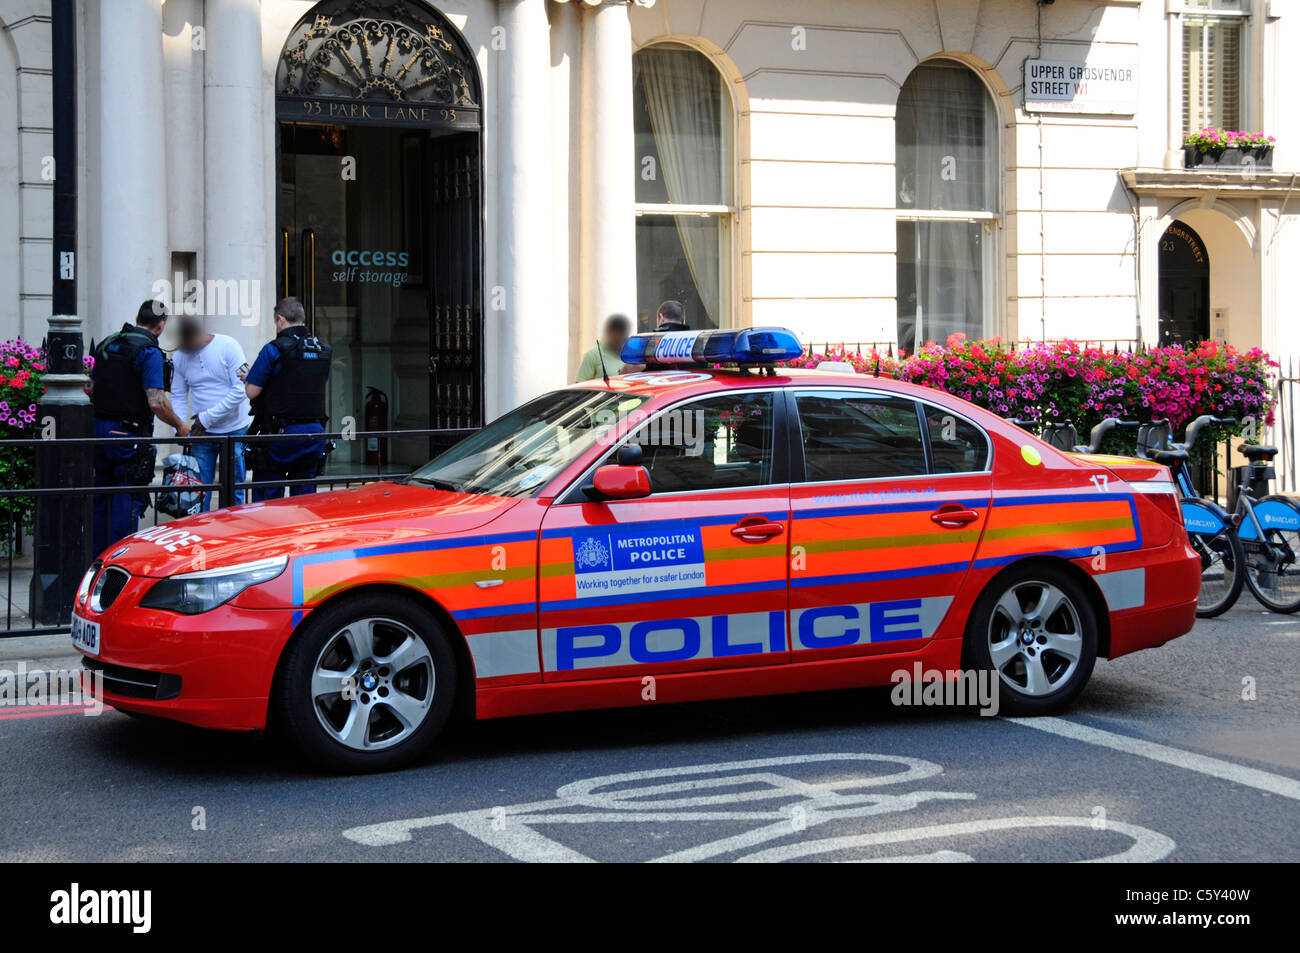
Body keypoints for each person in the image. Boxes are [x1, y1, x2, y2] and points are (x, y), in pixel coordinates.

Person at [90, 300, 190, 552]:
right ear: (161, 325)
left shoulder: (109, 342)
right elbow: (155, 401)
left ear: (138, 317)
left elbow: (91, 386)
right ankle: (119, 561)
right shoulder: (148, 351)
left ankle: (96, 560)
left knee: (100, 498)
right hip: (127, 434)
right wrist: (179, 424)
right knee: (127, 499)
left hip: (98, 430)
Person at [243, 297, 332, 502]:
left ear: (280, 319)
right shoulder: (323, 351)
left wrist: (250, 379)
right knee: (304, 499)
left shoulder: (274, 349)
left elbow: (252, 392)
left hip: (278, 434)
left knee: (268, 498)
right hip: (313, 432)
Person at [171, 314, 252, 510]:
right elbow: (179, 394)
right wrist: (181, 426)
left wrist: (206, 418)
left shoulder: (228, 346)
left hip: (234, 429)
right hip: (202, 432)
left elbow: (240, 390)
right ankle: (201, 532)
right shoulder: (179, 356)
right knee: (199, 491)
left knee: (235, 489)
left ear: (196, 335)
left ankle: (234, 531)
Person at [575, 314, 632, 382]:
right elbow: (580, 384)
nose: (620, 341)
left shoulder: (633, 355)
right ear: (608, 333)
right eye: (616, 338)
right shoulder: (593, 355)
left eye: (623, 338)